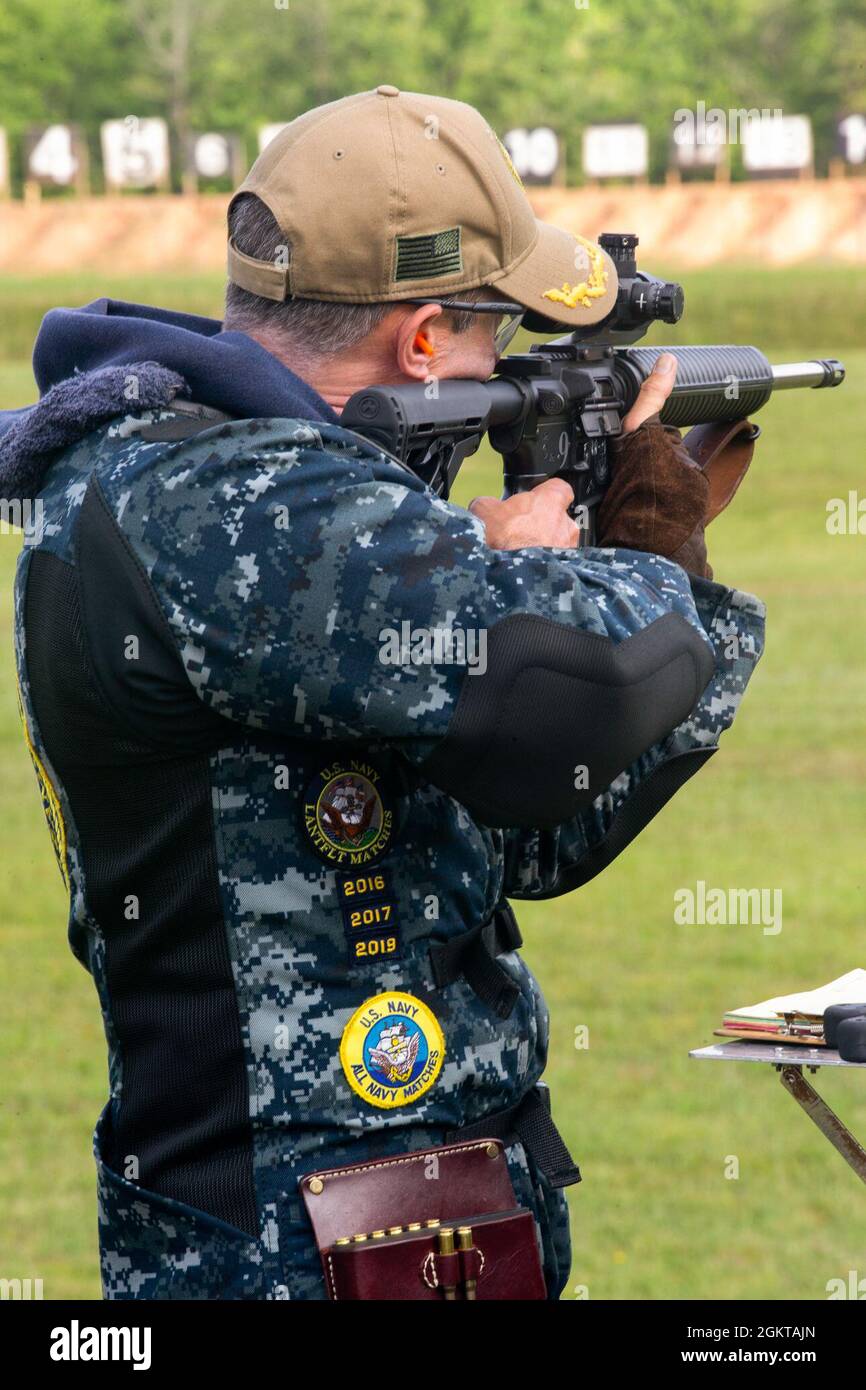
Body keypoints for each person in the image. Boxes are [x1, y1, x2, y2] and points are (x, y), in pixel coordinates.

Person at [0, 87, 764, 1300]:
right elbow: (586, 680)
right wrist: (632, 560)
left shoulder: (236, 488)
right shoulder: (228, 496)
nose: (495, 375)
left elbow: (539, 821)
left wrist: (598, 571)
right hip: (285, 1242)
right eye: (484, 344)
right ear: (420, 343)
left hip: (416, 1222)